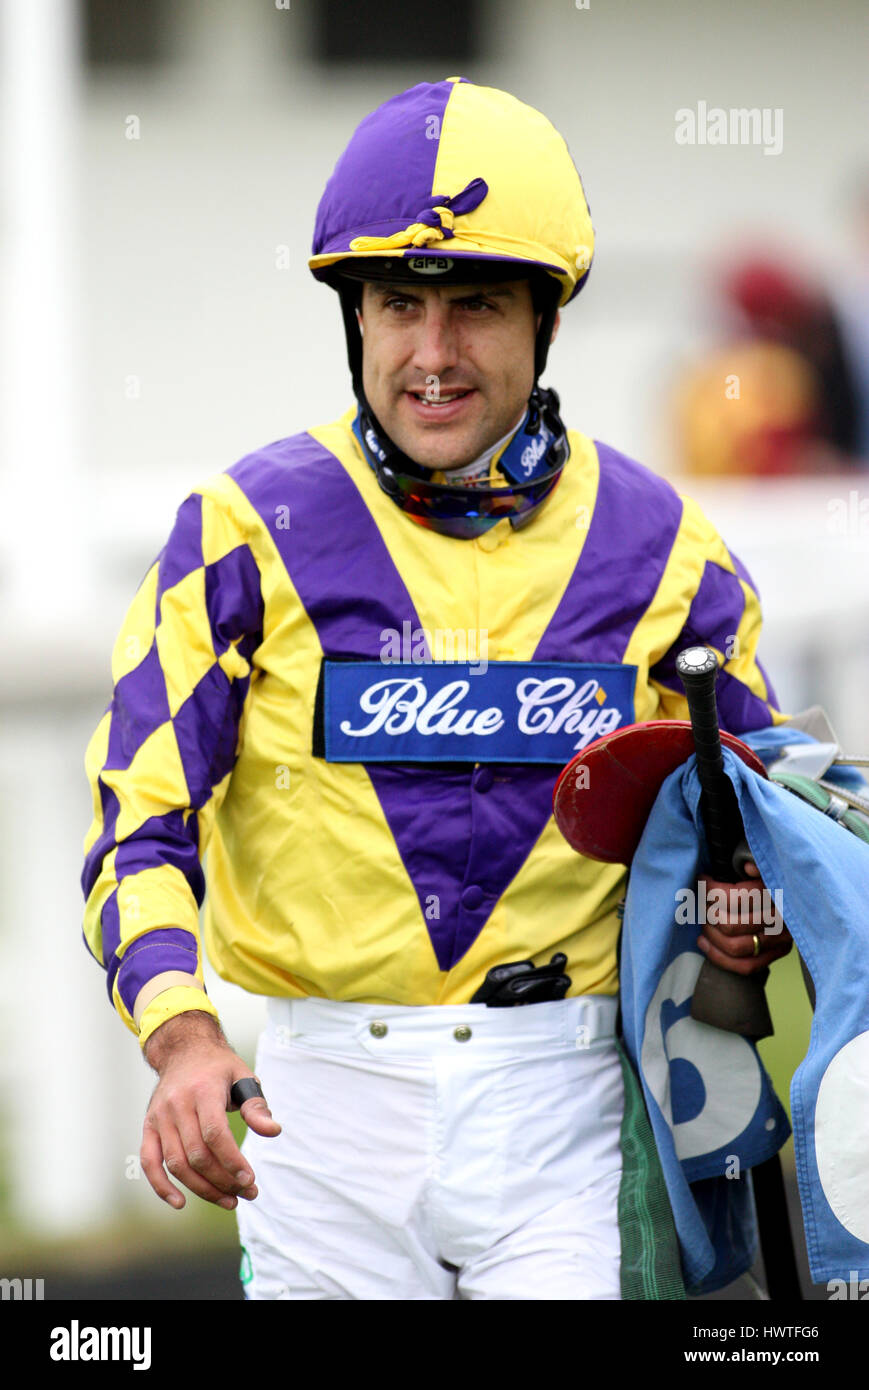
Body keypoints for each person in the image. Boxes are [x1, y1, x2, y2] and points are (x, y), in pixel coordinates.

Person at [81, 76, 793, 1301]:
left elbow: (762, 838)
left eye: (475, 305)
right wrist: (183, 1038)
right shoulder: (239, 530)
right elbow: (134, 830)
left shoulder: (672, 552)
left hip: (564, 1112)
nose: (431, 353)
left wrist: (743, 921)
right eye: (397, 304)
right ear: (353, 315)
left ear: (546, 321)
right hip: (317, 1122)